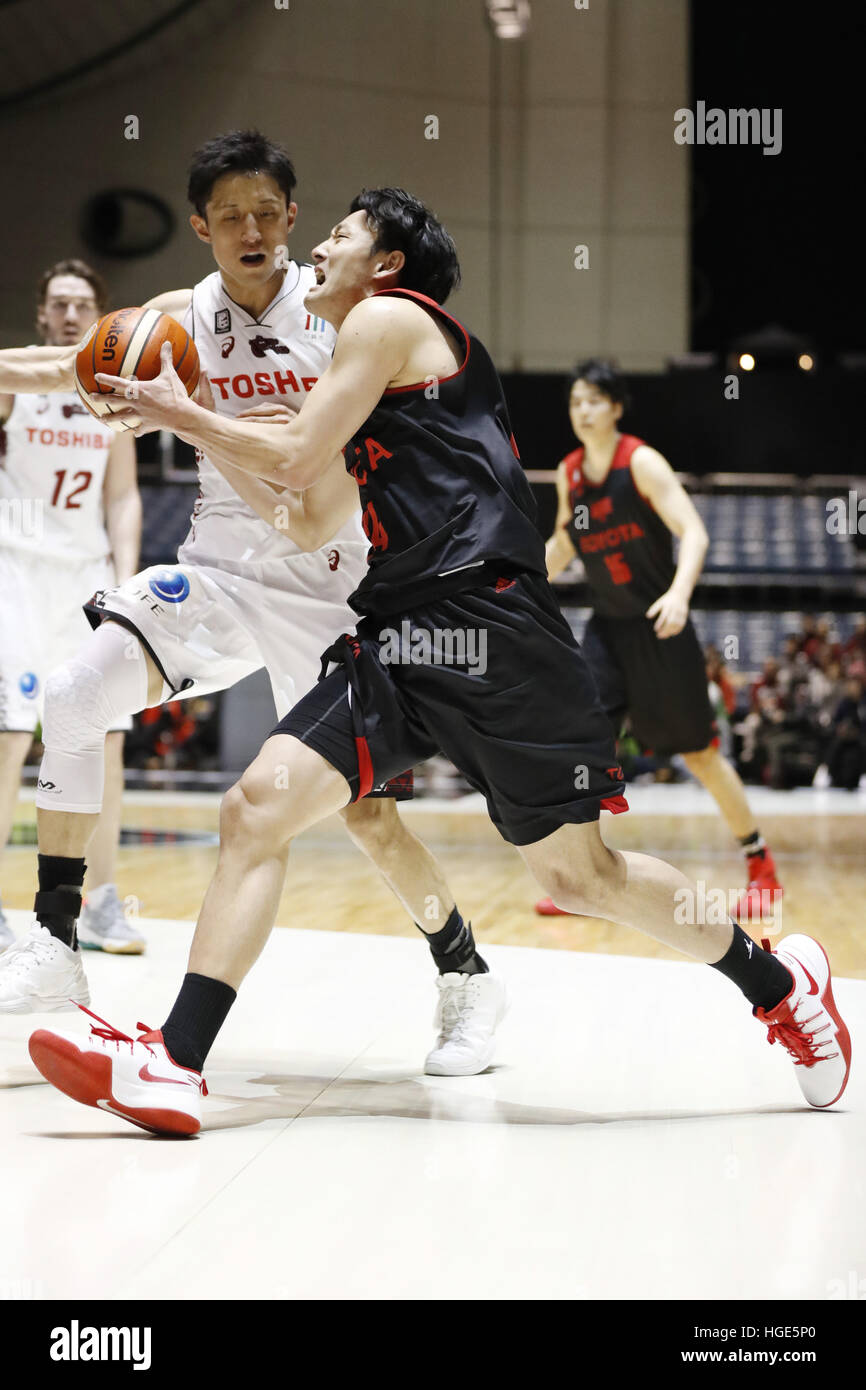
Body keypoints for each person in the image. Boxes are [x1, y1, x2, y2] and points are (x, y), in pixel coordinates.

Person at [28, 188, 850, 1133]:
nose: (318, 250)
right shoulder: (365, 390)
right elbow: (298, 515)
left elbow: (293, 459)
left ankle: (781, 986)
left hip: (495, 626)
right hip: (400, 634)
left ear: (385, 265)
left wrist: (186, 412)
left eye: (340, 236)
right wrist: (195, 418)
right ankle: (174, 1062)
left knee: (580, 879)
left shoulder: (390, 319)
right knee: (255, 806)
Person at [0, 135, 504, 1078]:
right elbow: (57, 367)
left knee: (369, 821)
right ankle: (56, 945)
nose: (253, 229)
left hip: (334, 592)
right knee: (70, 696)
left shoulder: (346, 320)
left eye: (269, 211)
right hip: (221, 577)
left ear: (293, 218)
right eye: (230, 214)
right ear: (200, 226)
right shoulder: (172, 318)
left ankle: (466, 971)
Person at [538, 360, 782, 919]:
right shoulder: (570, 474)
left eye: (594, 401)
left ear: (617, 407)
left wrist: (679, 593)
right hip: (607, 630)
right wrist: (524, 581)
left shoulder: (641, 463)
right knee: (582, 741)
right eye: (576, 402)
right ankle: (580, 877)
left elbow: (693, 531)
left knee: (698, 753)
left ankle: (760, 864)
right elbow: (564, 542)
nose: (583, 411)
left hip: (660, 624)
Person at [0, 260, 143, 954]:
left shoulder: (111, 391)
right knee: (8, 736)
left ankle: (103, 901)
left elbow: (122, 496)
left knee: (103, 740)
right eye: (57, 303)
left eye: (82, 303)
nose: (68, 314)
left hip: (86, 579)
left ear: (100, 315)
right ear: (41, 314)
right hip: (17, 571)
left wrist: (126, 581)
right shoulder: (16, 380)